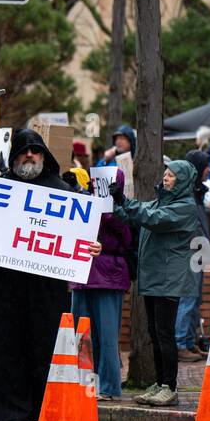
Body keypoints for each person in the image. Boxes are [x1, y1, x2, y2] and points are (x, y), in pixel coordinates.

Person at [0, 130, 93, 421]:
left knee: (45, 347)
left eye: (35, 151)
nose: (29, 156)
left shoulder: (63, 191)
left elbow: (81, 236)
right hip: (8, 286)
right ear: (14, 157)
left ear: (44, 156)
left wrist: (90, 246)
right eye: (23, 152)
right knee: (8, 348)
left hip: (47, 289)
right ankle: (15, 414)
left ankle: (48, 410)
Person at [114, 160, 203, 407]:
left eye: (172, 175)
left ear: (183, 180)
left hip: (168, 279)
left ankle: (170, 386)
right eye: (165, 173)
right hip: (154, 277)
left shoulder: (185, 207)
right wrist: (113, 200)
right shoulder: (161, 201)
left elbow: (151, 217)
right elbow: (134, 214)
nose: (166, 177)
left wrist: (124, 200)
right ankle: (161, 382)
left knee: (164, 333)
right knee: (155, 332)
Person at [70, 168, 134, 401]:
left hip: (107, 275)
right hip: (83, 274)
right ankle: (85, 382)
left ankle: (108, 386)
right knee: (82, 334)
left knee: (106, 336)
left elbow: (127, 238)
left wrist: (109, 207)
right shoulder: (87, 199)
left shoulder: (123, 208)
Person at [176, 149, 210, 361]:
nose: (209, 170)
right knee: (187, 300)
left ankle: (189, 343)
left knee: (194, 300)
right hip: (189, 255)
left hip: (197, 255)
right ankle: (180, 343)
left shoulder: (197, 192)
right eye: (205, 166)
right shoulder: (187, 194)